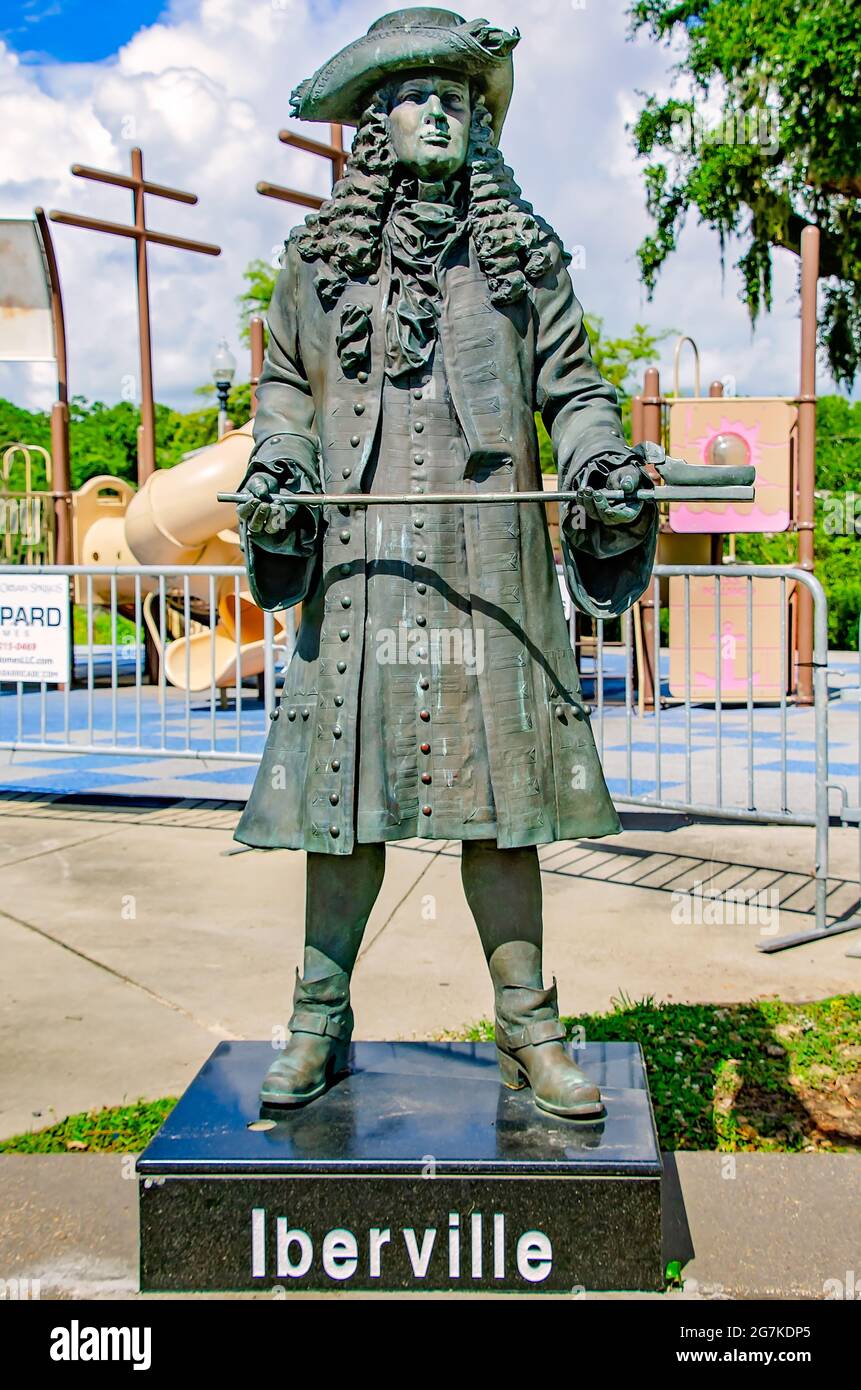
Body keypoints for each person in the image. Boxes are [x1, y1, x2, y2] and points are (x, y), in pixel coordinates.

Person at [234, 8, 658, 1119]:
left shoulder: (525, 257)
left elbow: (575, 388)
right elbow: (283, 390)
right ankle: (318, 1021)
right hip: (363, 566)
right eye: (420, 98)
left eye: (460, 101)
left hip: (489, 567)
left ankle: (530, 1029)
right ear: (375, 125)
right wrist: (278, 467)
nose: (442, 113)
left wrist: (600, 460)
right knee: (345, 801)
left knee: (504, 805)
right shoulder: (314, 268)